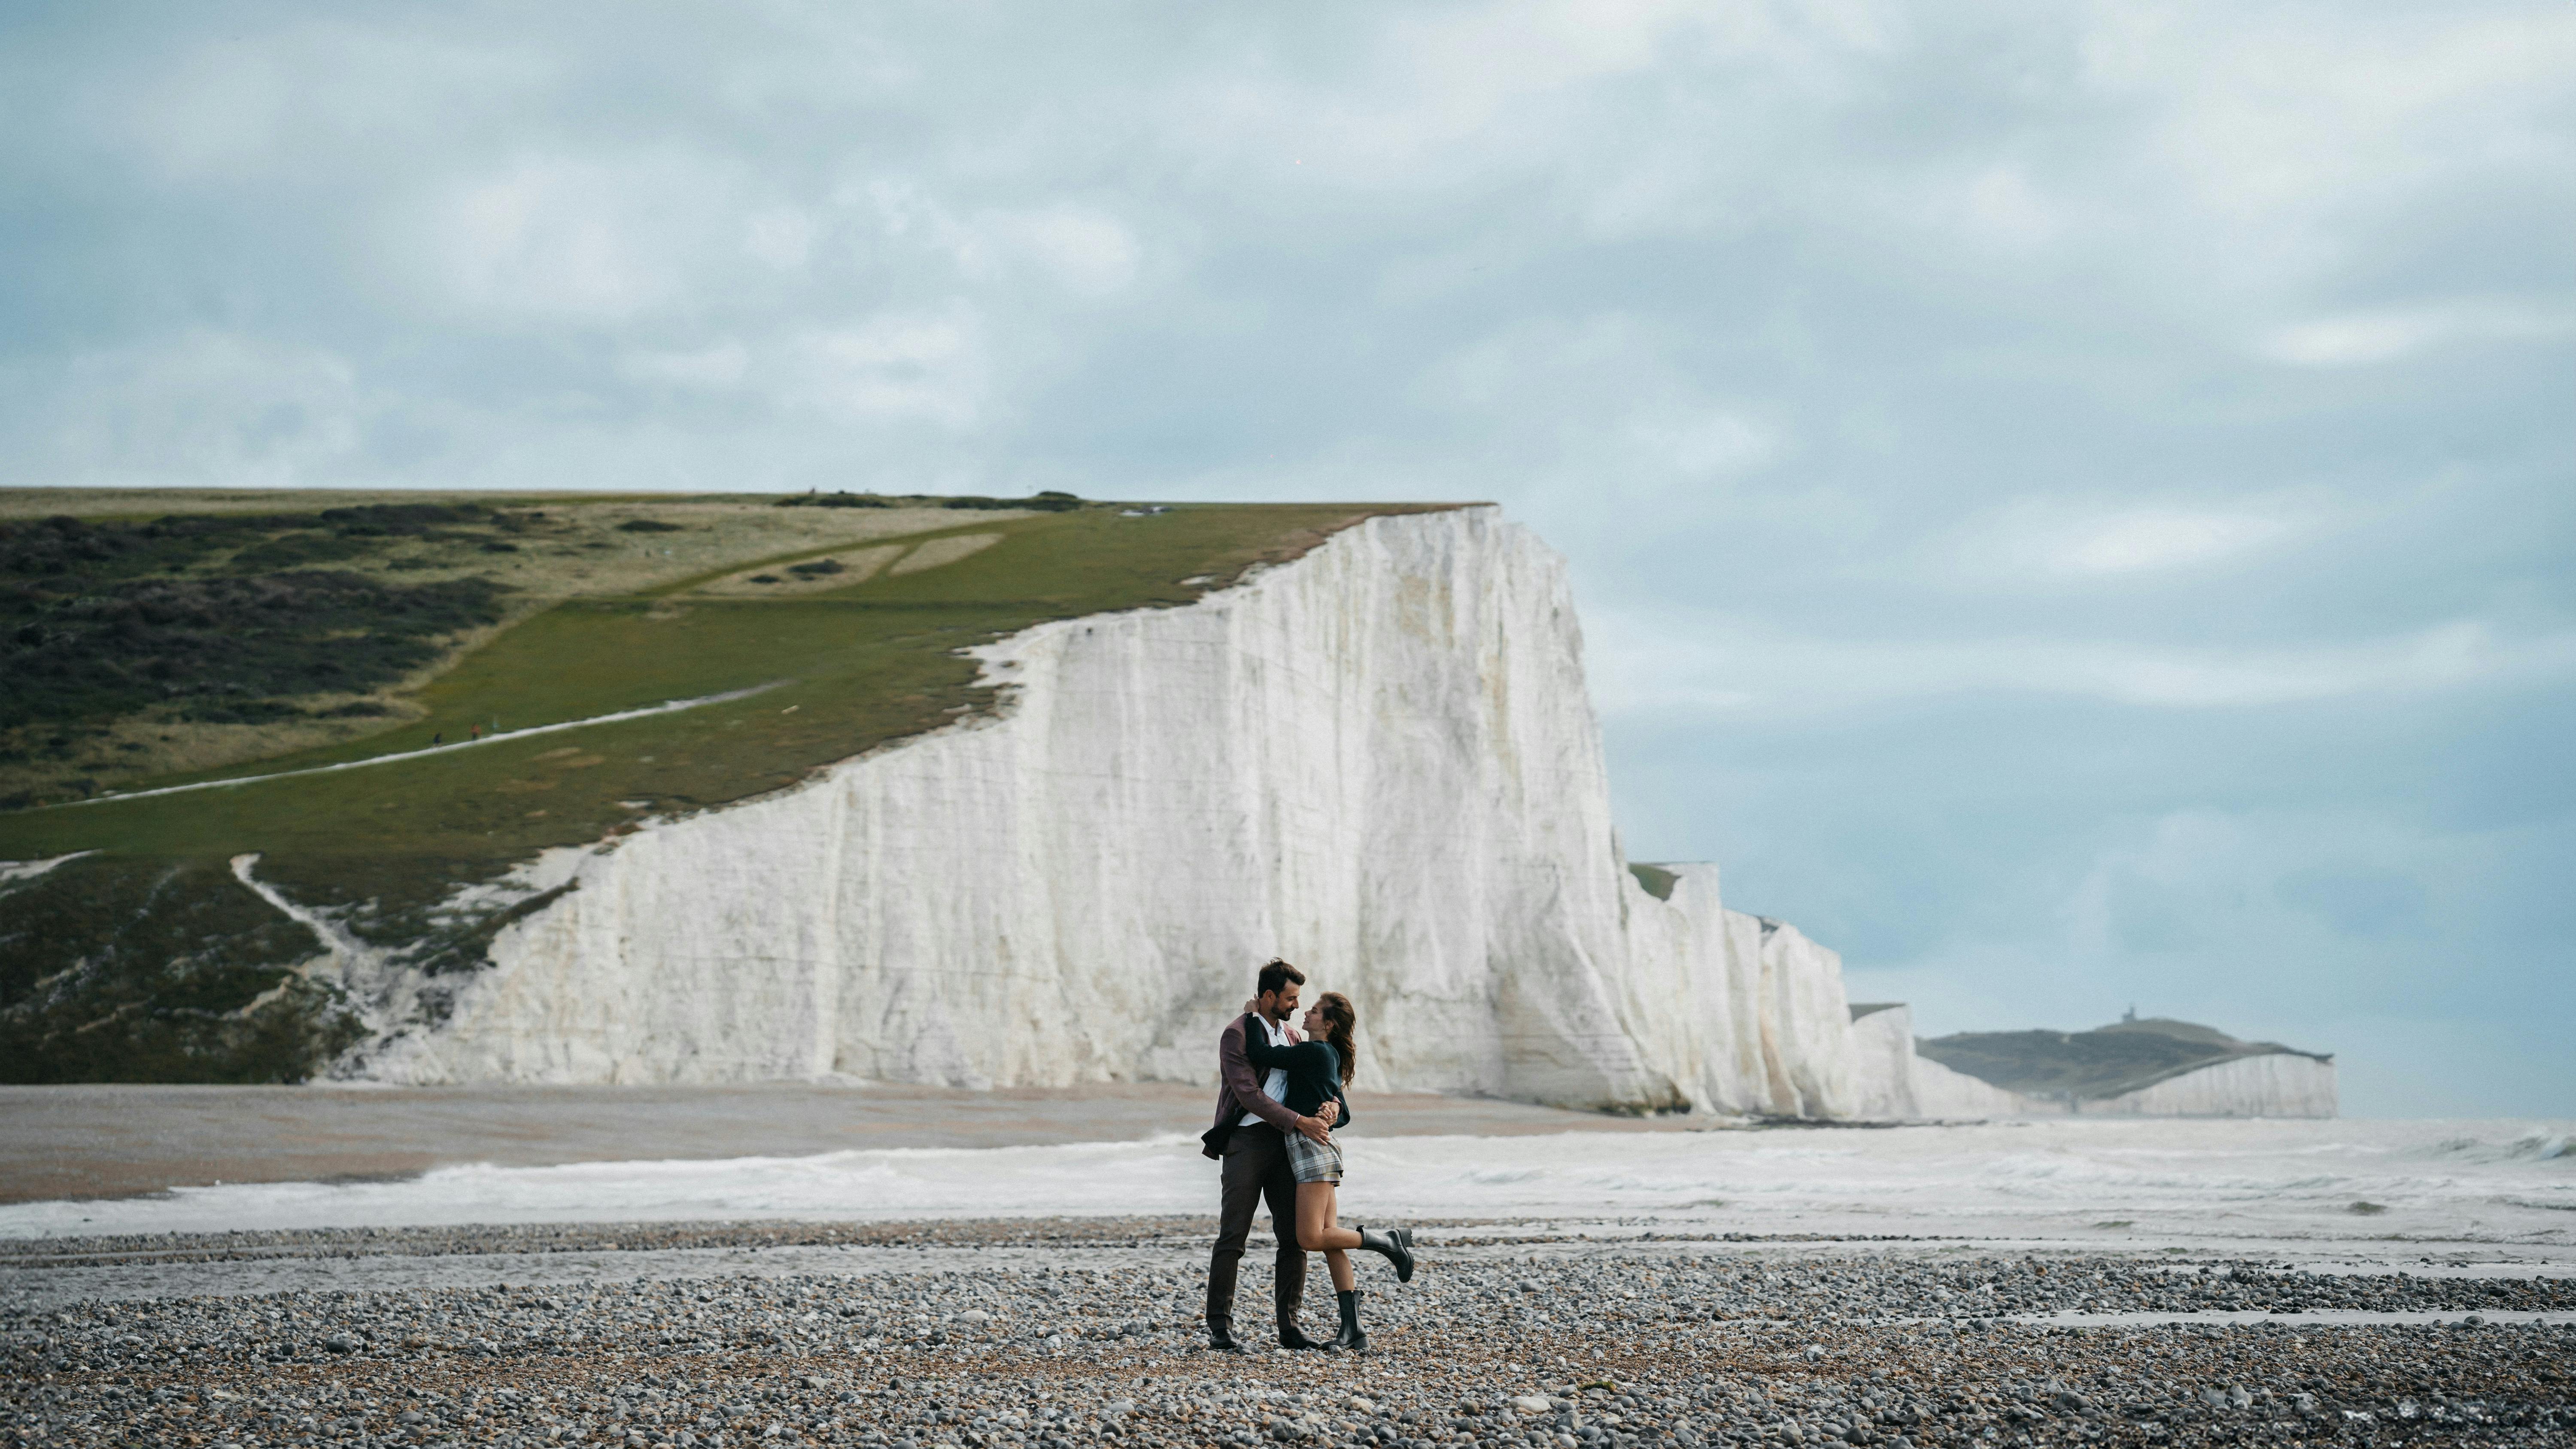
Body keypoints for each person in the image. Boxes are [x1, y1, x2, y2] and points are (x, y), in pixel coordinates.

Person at [1239, 990, 1416, 1351]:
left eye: (1316, 1011)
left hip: (1312, 1151)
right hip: (1314, 1149)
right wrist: (1334, 1107)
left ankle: (1386, 1240)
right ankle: (1354, 1330)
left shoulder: (1315, 1050)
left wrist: (1250, 1017)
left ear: (1329, 1024)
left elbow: (1260, 1054)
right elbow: (1344, 1108)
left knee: (1310, 1238)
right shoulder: (1324, 1054)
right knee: (1331, 1239)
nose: (1307, 1012)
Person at [1200, 960, 1338, 1352]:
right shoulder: (1237, 1033)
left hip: (1287, 1144)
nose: (1297, 1005)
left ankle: (1290, 1327)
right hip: (1247, 1143)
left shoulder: (1294, 1036)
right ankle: (1220, 1328)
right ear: (1268, 996)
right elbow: (1249, 1094)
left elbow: (1317, 1081)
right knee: (1233, 1236)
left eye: (1299, 998)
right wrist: (1299, 1120)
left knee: (1293, 1237)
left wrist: (1328, 1108)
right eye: (1291, 998)